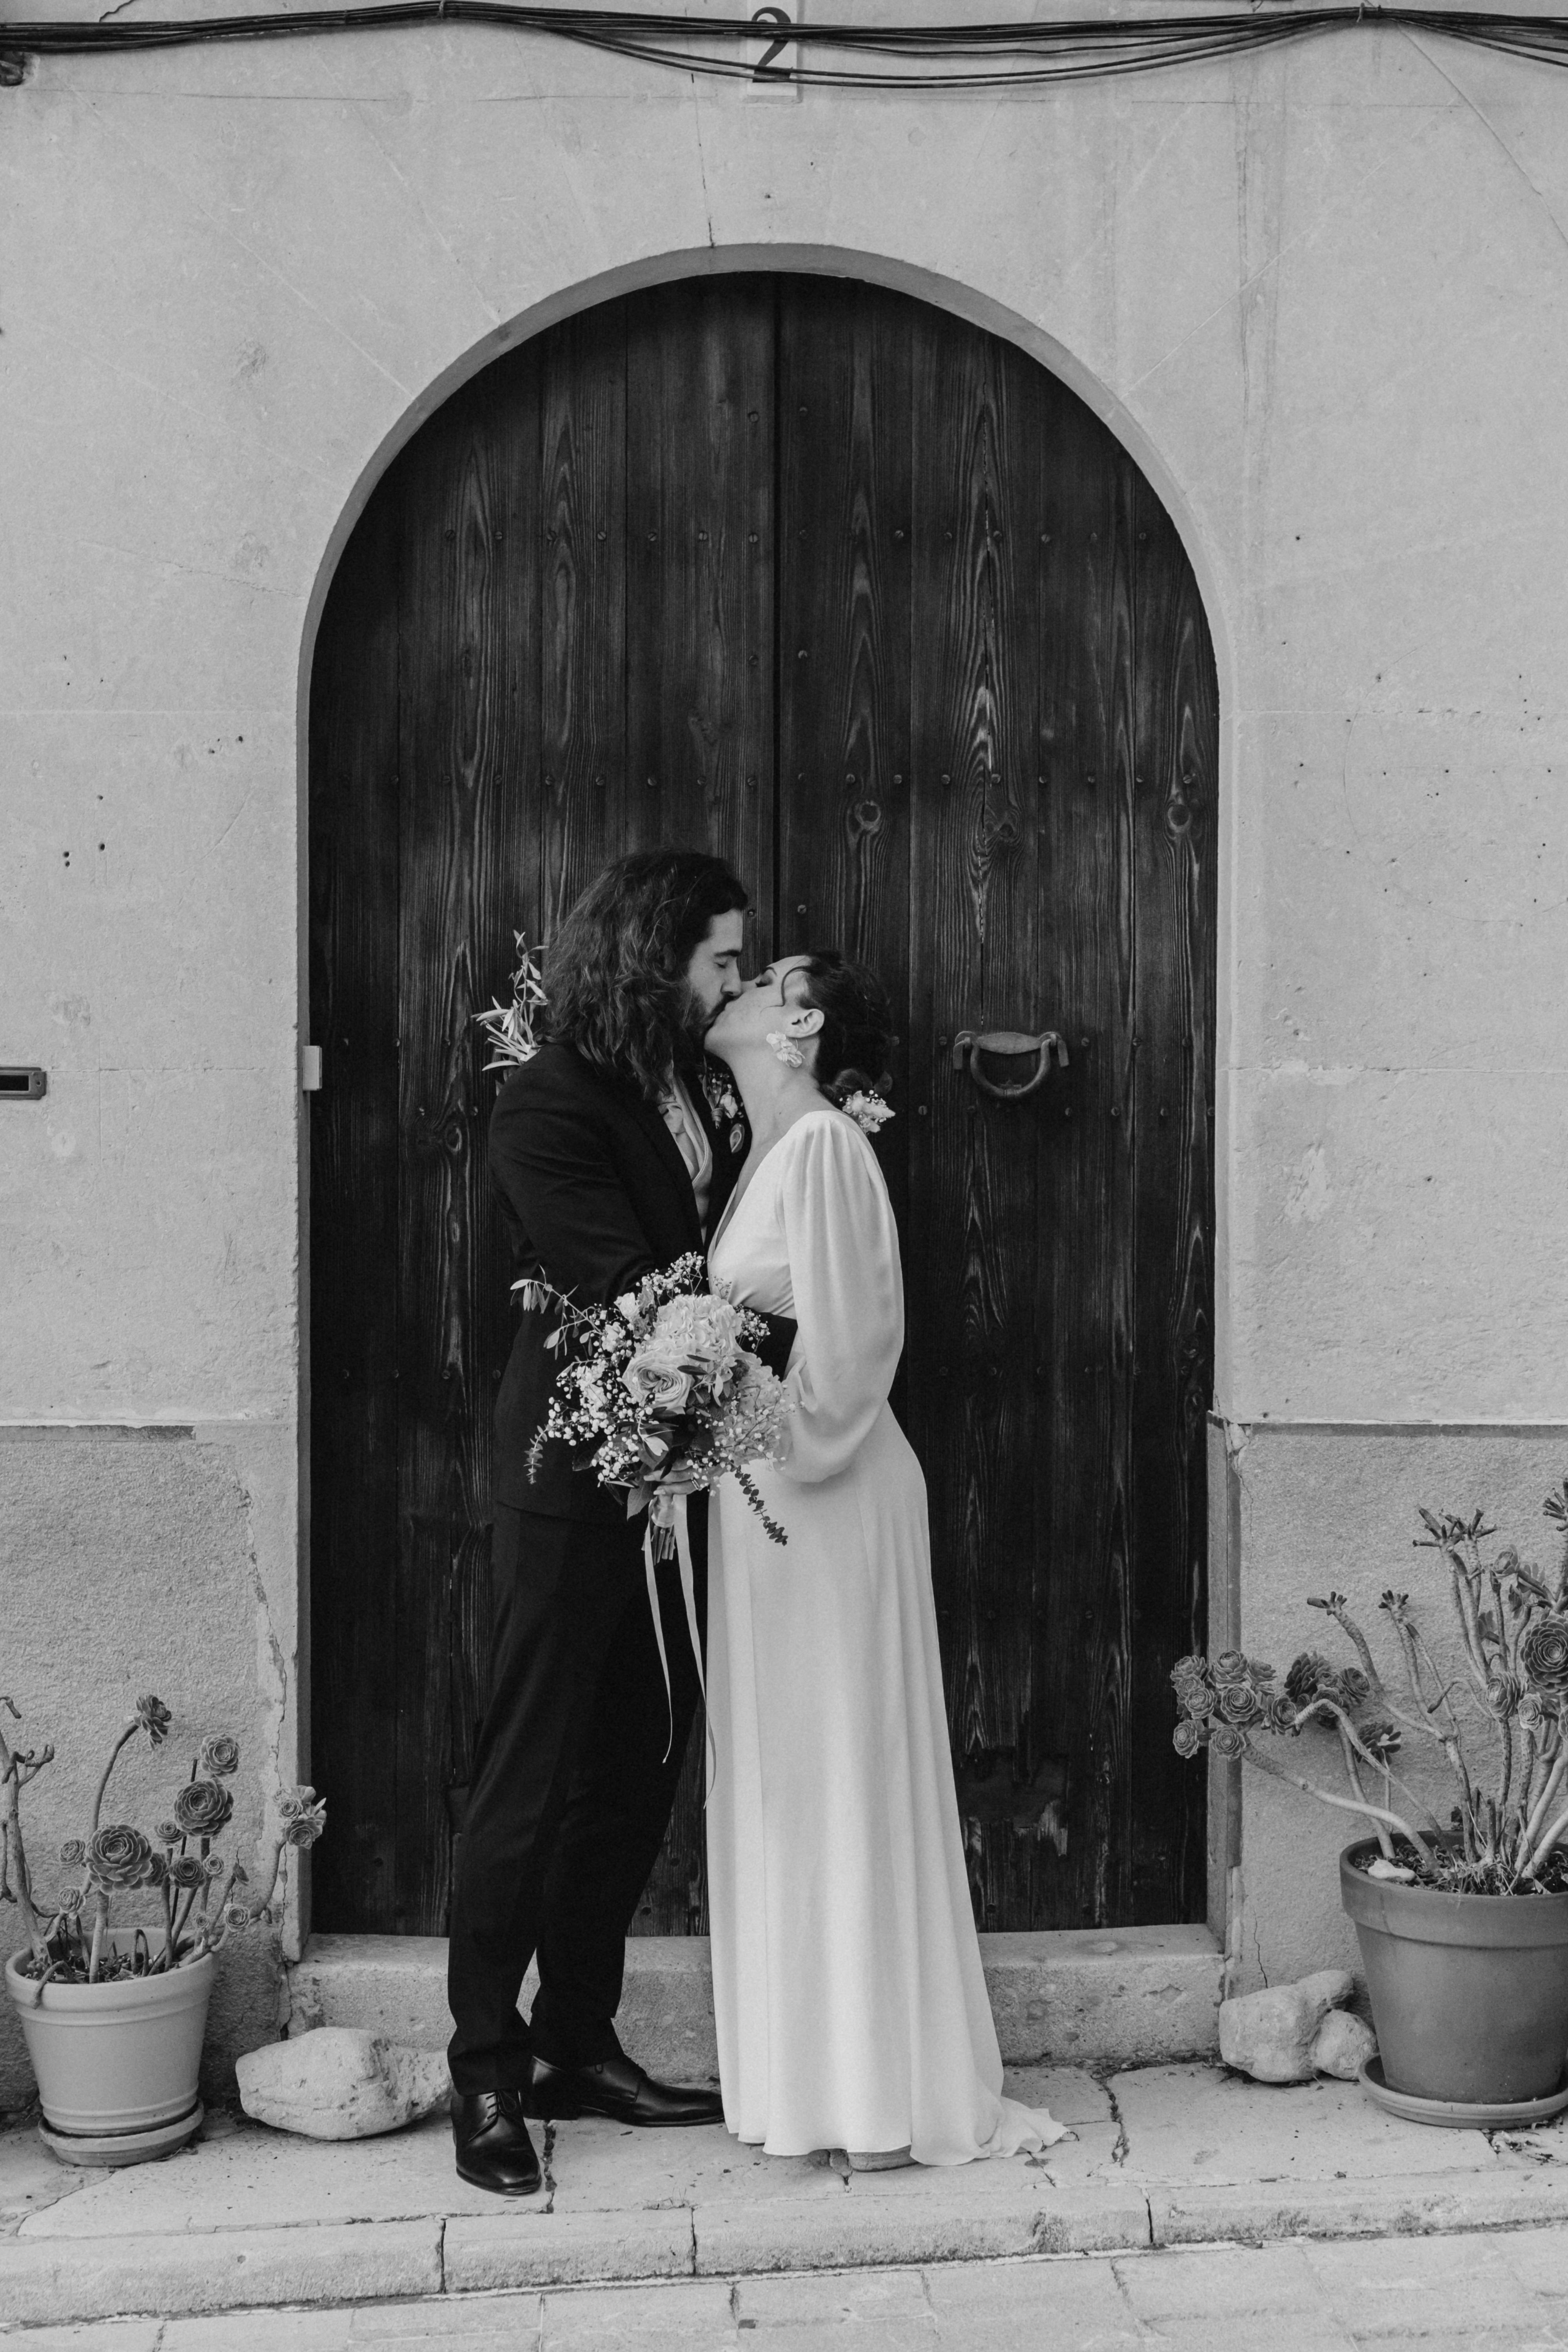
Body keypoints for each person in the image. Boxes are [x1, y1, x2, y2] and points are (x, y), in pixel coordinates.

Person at [701, 952, 1067, 2167]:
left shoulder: (821, 1152)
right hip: (765, 1503)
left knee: (838, 1771)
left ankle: (874, 2091)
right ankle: (804, 2086)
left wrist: (733, 1426)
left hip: (826, 1498)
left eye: (763, 980)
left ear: (796, 1026)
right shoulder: (761, 1147)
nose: (738, 988)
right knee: (789, 1779)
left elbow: (856, 1353)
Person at [448, 848, 775, 2197]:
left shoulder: (704, 1084)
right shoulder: (548, 1101)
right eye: (720, 959)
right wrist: (752, 1316)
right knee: (528, 1777)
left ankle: (581, 2041)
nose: (737, 981)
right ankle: (485, 2075)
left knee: (638, 1770)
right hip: (574, 1481)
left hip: (687, 1476)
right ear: (656, 957)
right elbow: (621, 1275)